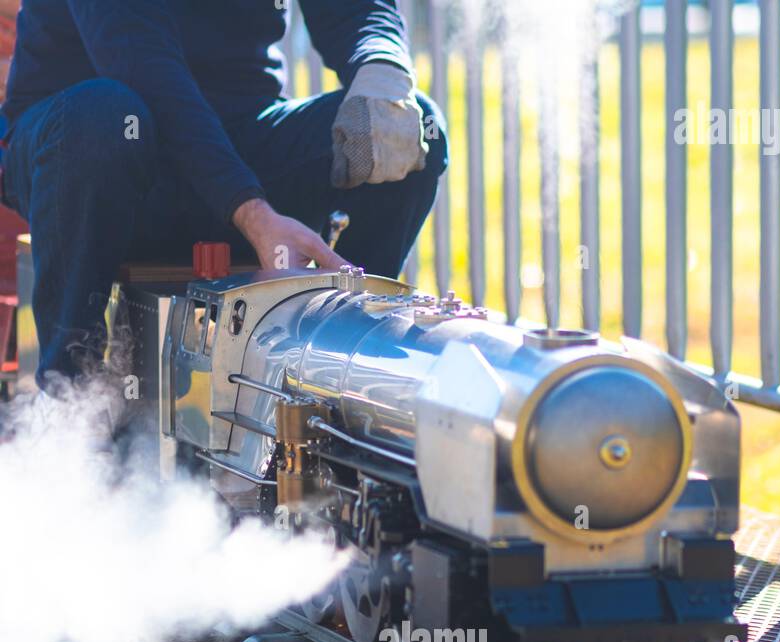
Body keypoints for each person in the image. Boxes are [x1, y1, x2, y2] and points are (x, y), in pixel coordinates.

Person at [0, 1, 447, 384]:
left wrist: (382, 73)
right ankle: (71, 407)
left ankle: (339, 367)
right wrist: (254, 214)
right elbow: (140, 60)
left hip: (237, 142)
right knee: (105, 117)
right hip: (94, 152)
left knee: (419, 127)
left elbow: (355, 10)